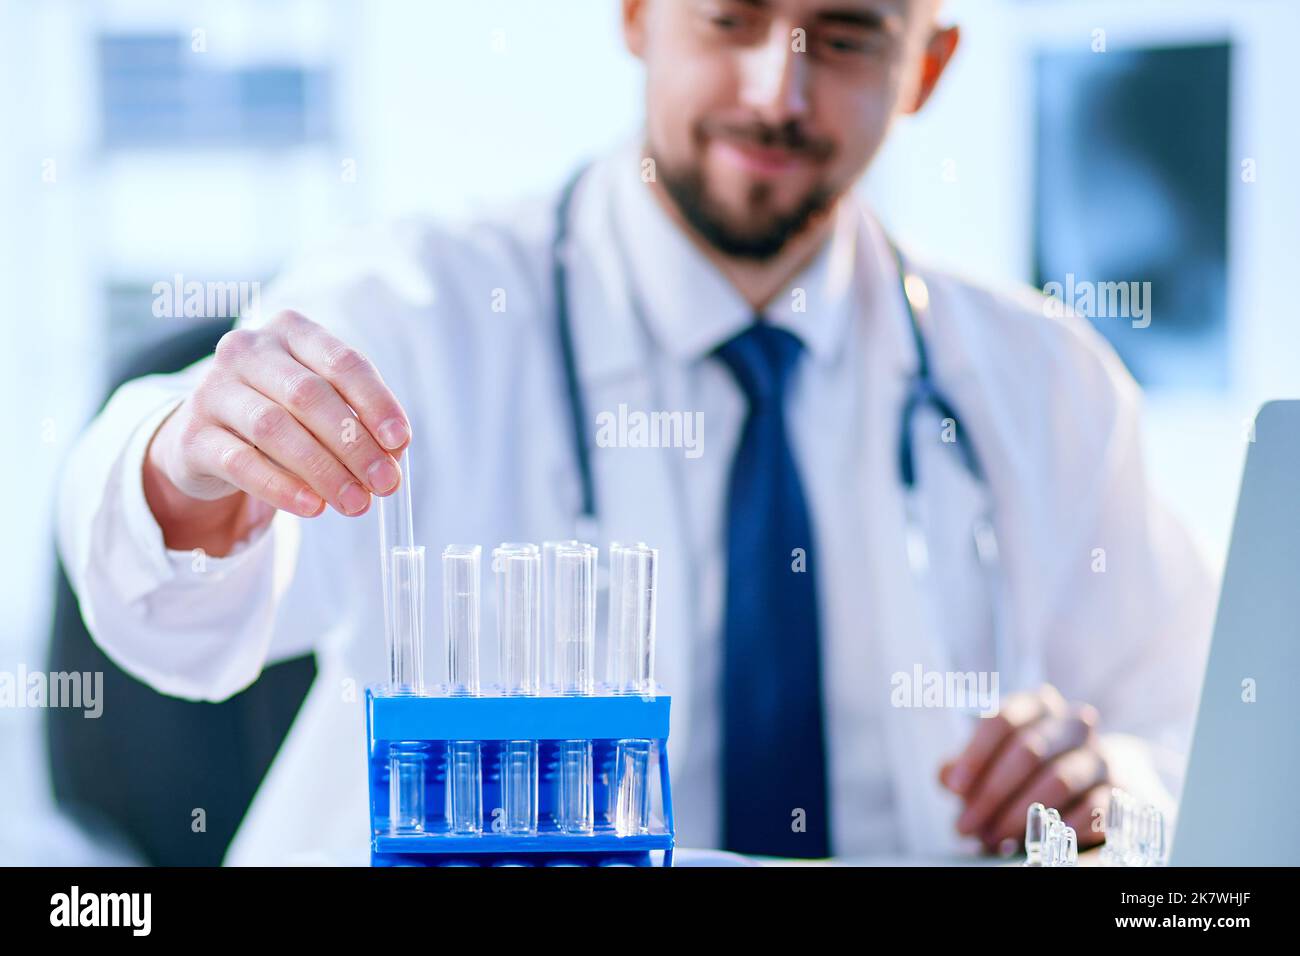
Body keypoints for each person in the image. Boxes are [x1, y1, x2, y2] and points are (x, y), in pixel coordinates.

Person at [59, 0, 1214, 863]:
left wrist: (1121, 783)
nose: (778, 91)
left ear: (929, 66)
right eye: (730, 18)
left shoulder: (1046, 382)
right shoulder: (420, 307)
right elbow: (163, 615)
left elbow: (1193, 737)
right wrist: (185, 468)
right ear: (635, 17)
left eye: (849, 35)